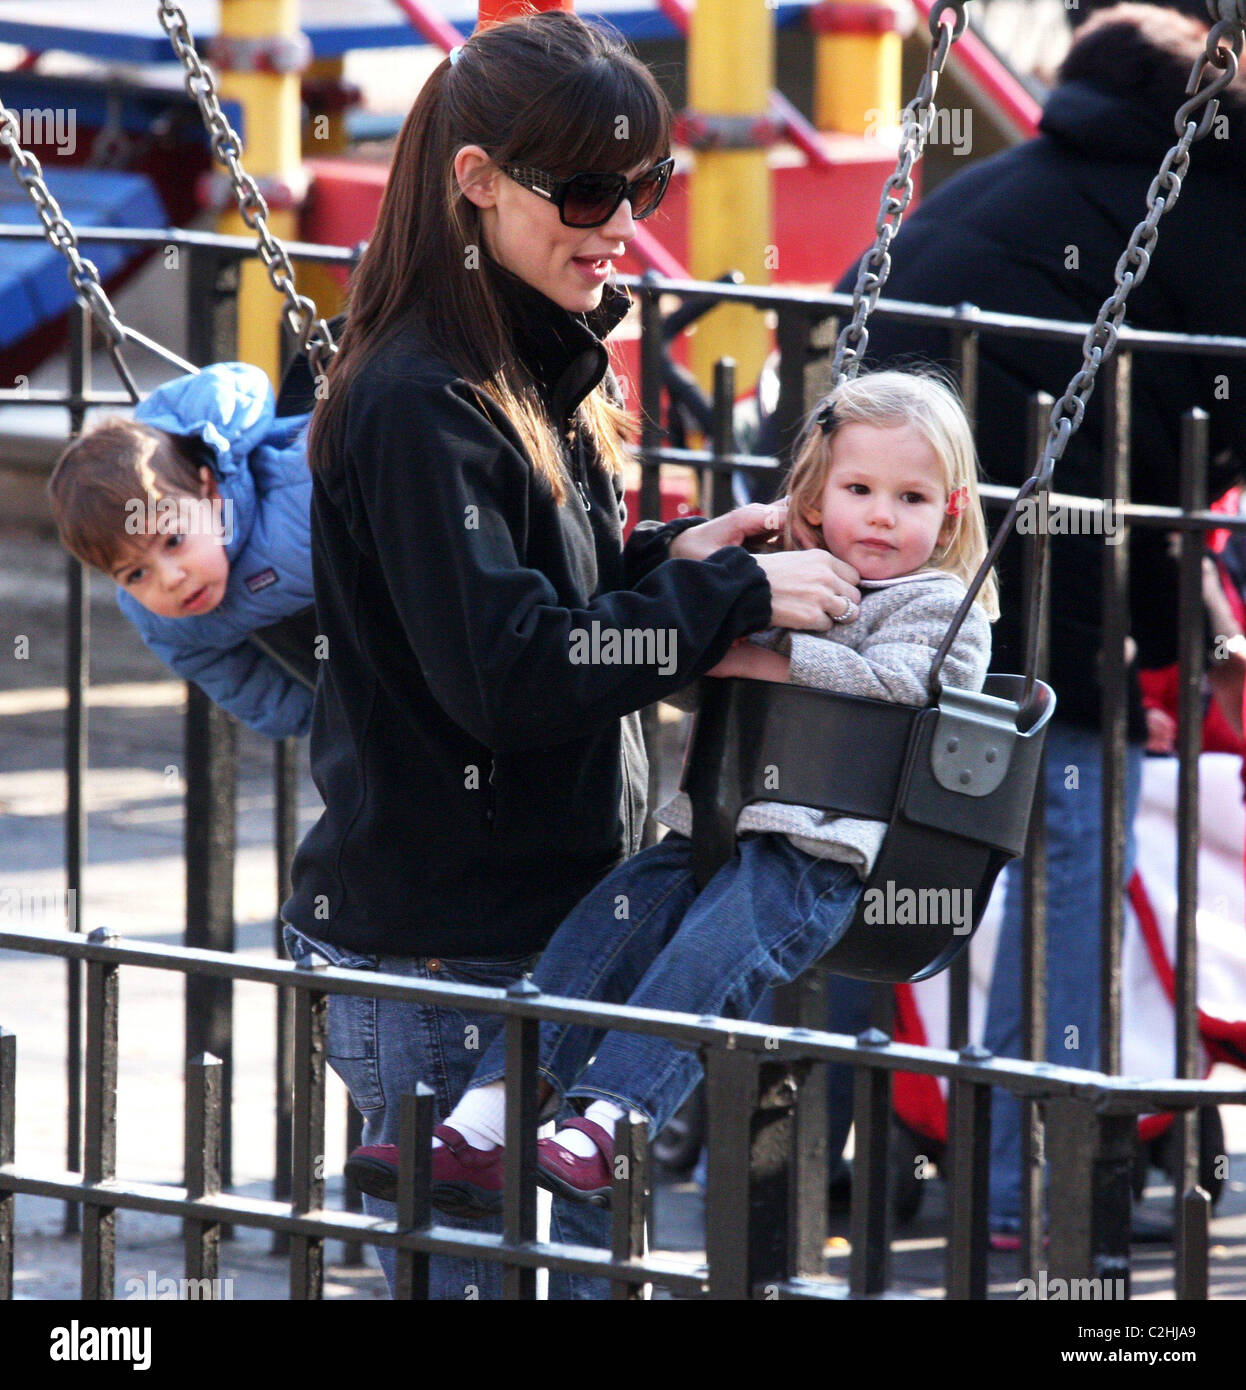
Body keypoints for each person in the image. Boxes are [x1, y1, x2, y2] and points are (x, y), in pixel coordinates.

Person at [277, 11, 858, 1299]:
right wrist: (728, 592)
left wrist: (676, 559)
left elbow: (546, 601)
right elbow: (507, 673)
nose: (622, 221)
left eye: (644, 184)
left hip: (533, 927)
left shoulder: (525, 367)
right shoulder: (427, 398)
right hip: (440, 948)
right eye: (589, 189)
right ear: (475, 181)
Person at [347, 368, 996, 1211]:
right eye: (859, 488)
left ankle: (611, 1115)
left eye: (910, 498)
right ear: (815, 492)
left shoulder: (944, 605)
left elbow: (903, 692)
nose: (880, 514)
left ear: (948, 511)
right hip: (711, 826)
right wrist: (714, 602)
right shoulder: (784, 577)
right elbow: (691, 674)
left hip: (818, 851)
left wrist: (761, 653)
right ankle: (487, 1115)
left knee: (703, 960)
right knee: (590, 942)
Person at [829, 2, 1246, 1241]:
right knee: (1075, 842)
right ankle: (1029, 1183)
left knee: (839, 849)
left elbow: (1147, 438)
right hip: (1021, 553)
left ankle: (794, 1153)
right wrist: (1179, 650)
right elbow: (1169, 470)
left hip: (858, 529)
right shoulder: (1208, 209)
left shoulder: (1034, 176)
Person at [46, 361, 315, 738]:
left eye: (173, 541)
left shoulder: (297, 493)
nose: (171, 579)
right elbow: (227, 669)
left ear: (210, 493)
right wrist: (331, 720)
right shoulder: (161, 620)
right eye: (135, 574)